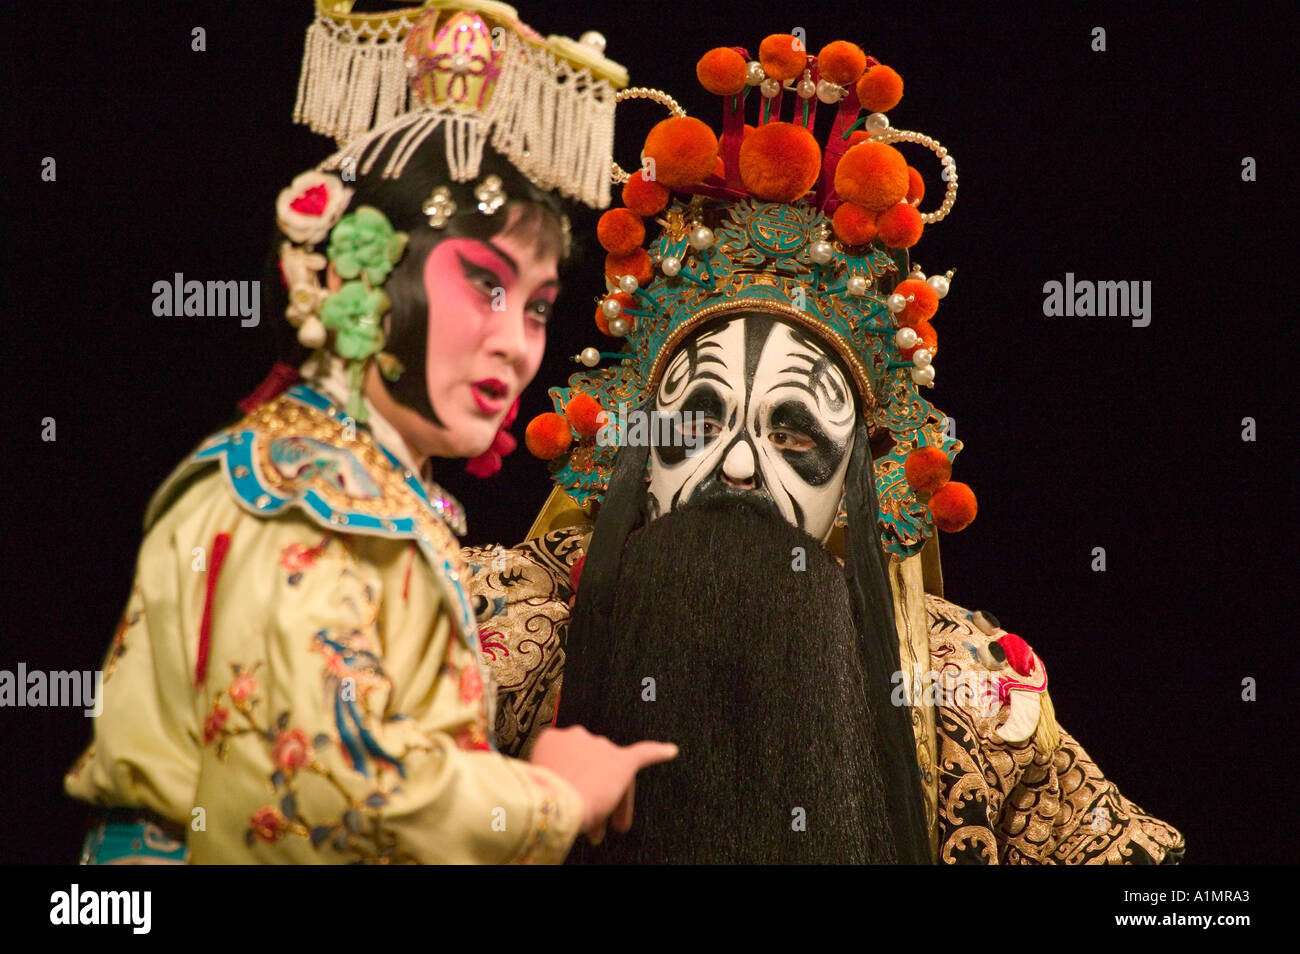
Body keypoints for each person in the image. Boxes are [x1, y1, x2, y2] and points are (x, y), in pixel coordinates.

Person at [467, 32, 1186, 864]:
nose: (737, 465)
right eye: (698, 423)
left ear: (861, 478)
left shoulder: (965, 696)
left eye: (794, 431)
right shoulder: (506, 626)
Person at [64, 1, 676, 864]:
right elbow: (327, 794)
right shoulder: (300, 495)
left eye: (538, 307)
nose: (518, 341)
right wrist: (554, 795)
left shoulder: (341, 482)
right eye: (487, 285)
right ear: (366, 275)